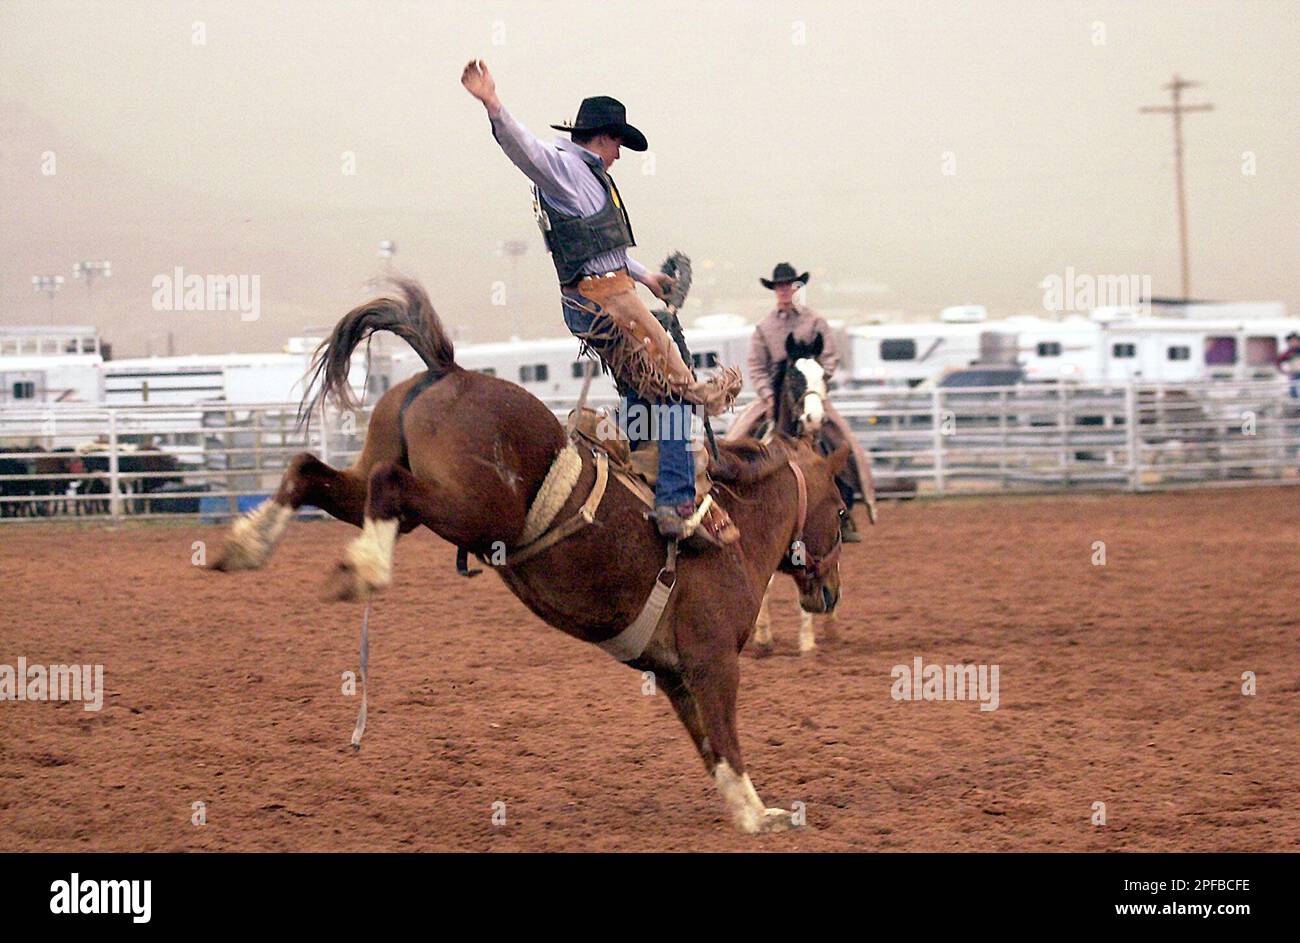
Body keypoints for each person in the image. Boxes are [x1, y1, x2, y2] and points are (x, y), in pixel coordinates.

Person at [461, 60, 740, 547]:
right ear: (604, 138)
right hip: (605, 304)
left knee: (645, 389)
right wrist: (493, 103)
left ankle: (632, 469)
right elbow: (523, 150)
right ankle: (675, 500)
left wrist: (647, 277)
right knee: (677, 392)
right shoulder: (566, 168)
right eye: (618, 144)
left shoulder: (588, 177)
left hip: (610, 298)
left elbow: (602, 250)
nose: (620, 154)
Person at [729, 262, 876, 535]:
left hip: (811, 393)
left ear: (796, 288)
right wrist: (768, 396)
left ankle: (848, 507)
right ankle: (730, 496)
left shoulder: (815, 322)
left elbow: (830, 357)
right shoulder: (764, 328)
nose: (784, 290)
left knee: (843, 444)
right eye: (780, 286)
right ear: (774, 290)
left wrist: (816, 384)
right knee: (738, 437)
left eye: (789, 285)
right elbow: (757, 367)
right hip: (776, 397)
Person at [1277, 332, 1300, 398]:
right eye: (1292, 341)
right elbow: (1278, 361)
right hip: (1294, 374)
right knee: (1293, 391)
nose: (1294, 343)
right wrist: (1283, 371)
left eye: (1296, 341)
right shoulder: (1288, 352)